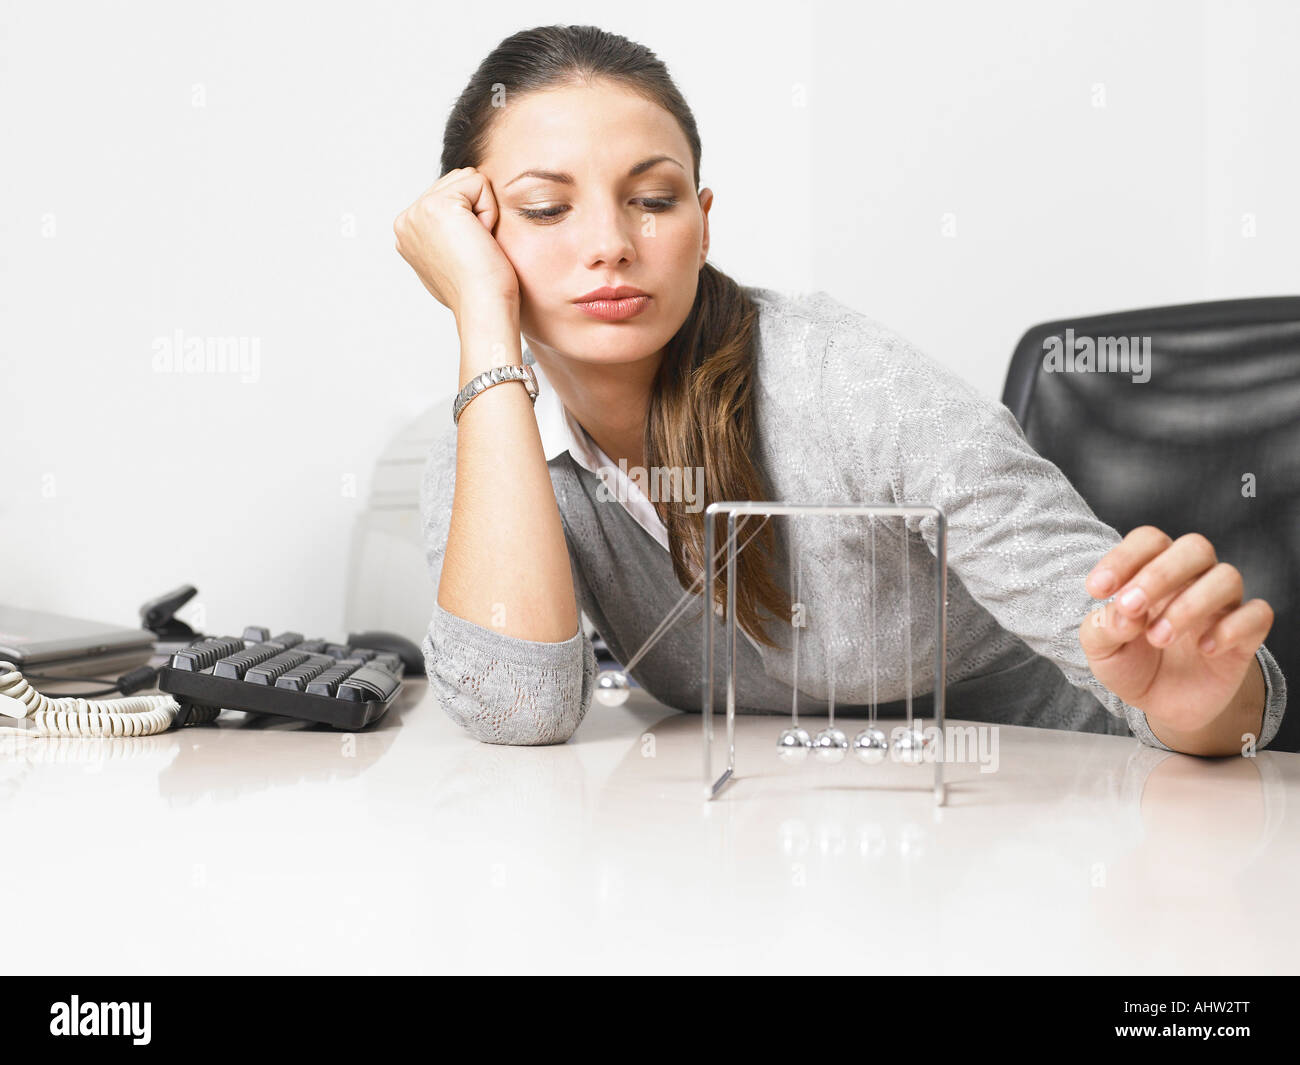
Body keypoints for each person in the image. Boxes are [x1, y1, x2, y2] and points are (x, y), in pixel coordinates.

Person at [394, 25, 1286, 756]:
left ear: (704, 224)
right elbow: (520, 711)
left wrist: (1198, 706)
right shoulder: (495, 440)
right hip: (799, 867)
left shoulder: (845, 386)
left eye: (654, 199)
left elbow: (1191, 692)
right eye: (548, 209)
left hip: (1074, 819)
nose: (611, 243)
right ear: (475, 234)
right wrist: (483, 313)